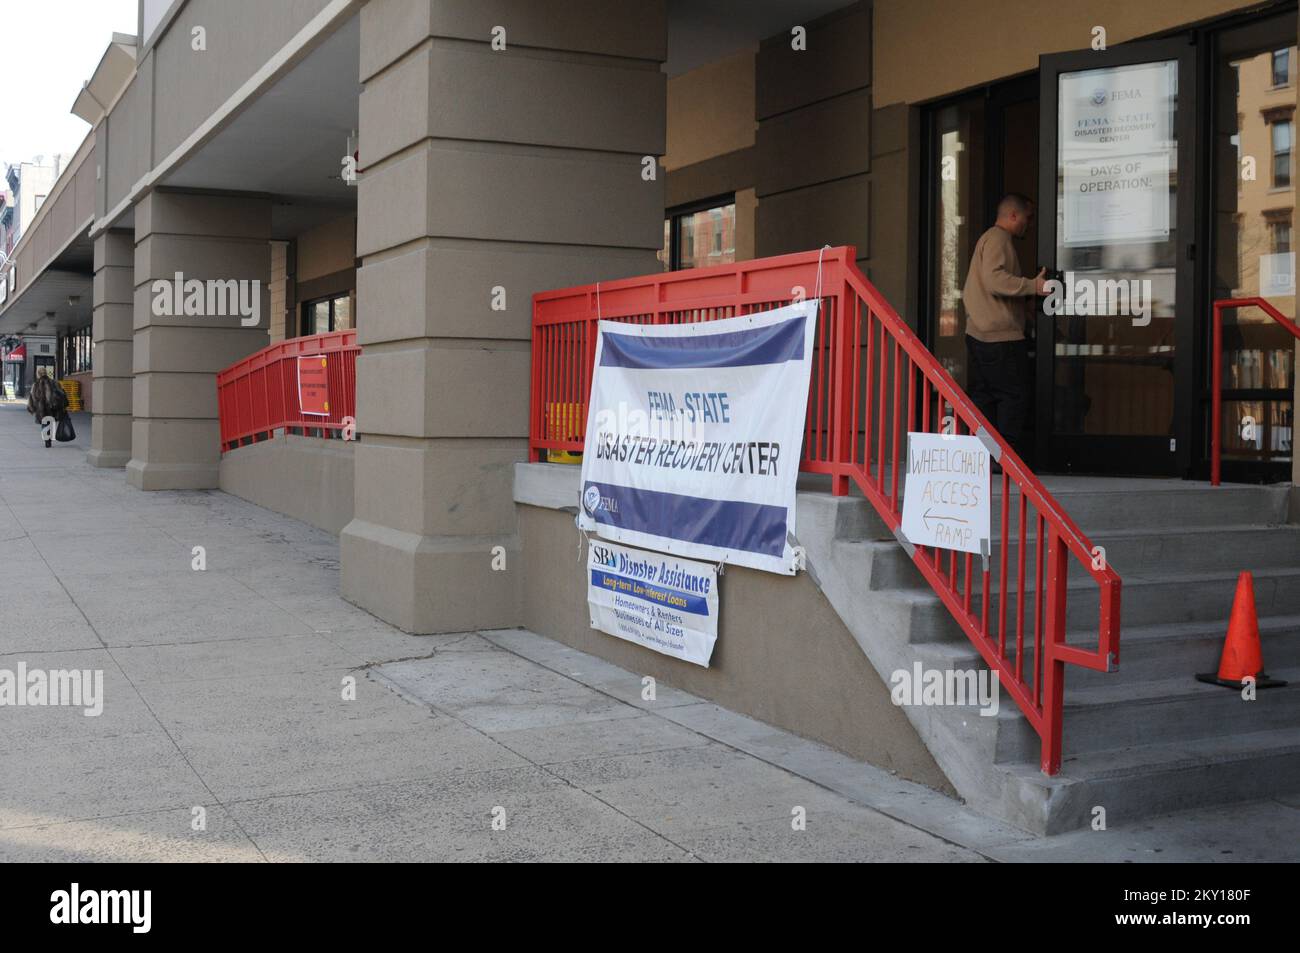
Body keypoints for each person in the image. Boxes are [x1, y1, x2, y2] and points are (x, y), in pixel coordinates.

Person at [962, 193, 1047, 459]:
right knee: (1014, 396)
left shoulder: (989, 238)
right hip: (999, 337)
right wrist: (1033, 286)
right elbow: (995, 280)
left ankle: (985, 456)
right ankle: (1006, 459)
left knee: (985, 398)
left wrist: (1024, 306)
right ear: (1013, 215)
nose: (1029, 223)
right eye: (1027, 217)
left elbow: (990, 283)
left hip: (980, 333)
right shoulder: (999, 238)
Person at [26, 369, 68, 449]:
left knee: (44, 424)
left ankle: (47, 440)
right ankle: (49, 439)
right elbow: (61, 393)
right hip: (53, 408)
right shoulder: (54, 382)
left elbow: (33, 397)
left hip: (42, 409)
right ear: (46, 373)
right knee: (51, 422)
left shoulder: (36, 384)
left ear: (38, 374)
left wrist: (33, 407)